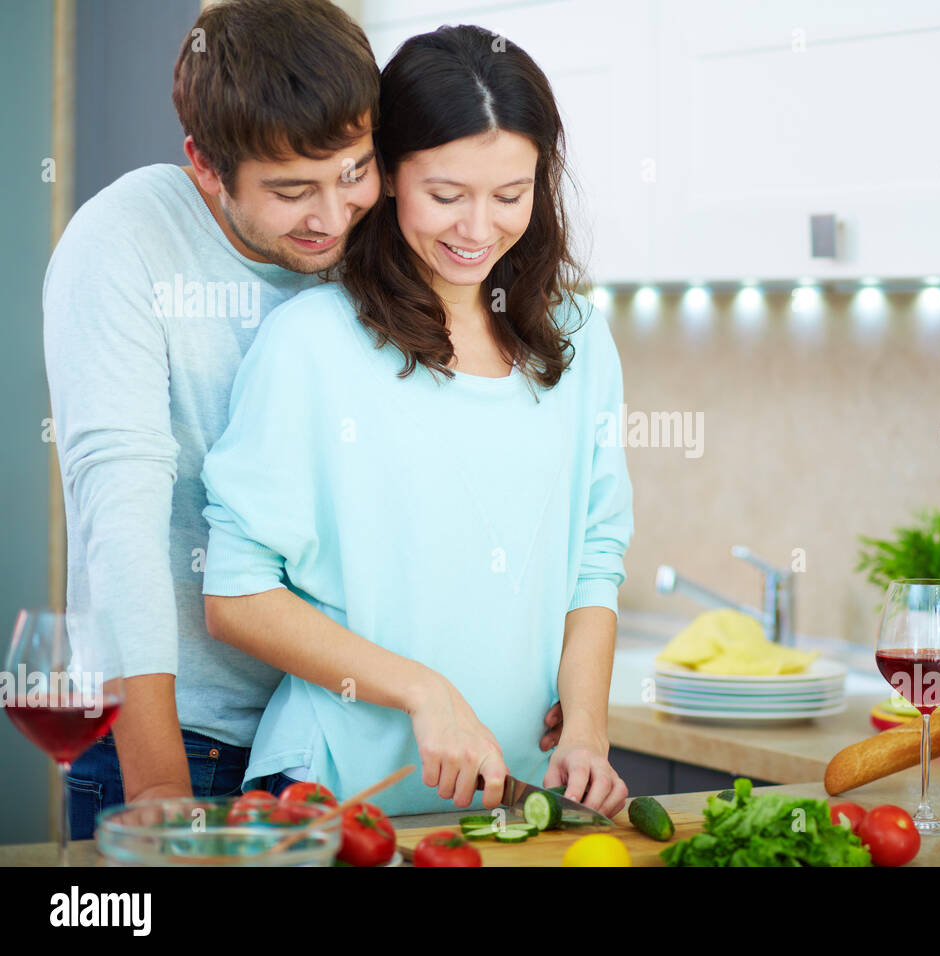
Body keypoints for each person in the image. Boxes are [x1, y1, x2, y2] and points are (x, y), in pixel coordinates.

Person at [42, 0, 552, 838]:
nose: (331, 217)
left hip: (335, 745)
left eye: (354, 171)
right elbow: (120, 528)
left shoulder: (379, 235)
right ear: (205, 167)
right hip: (182, 739)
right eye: (290, 191)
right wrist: (163, 787)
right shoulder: (123, 244)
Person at [201, 25, 634, 818]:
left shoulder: (577, 336)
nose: (478, 230)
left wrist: (589, 731)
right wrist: (422, 692)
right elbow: (236, 594)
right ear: (389, 176)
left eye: (510, 195)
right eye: (445, 196)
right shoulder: (313, 344)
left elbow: (595, 556)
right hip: (337, 794)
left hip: (514, 800)